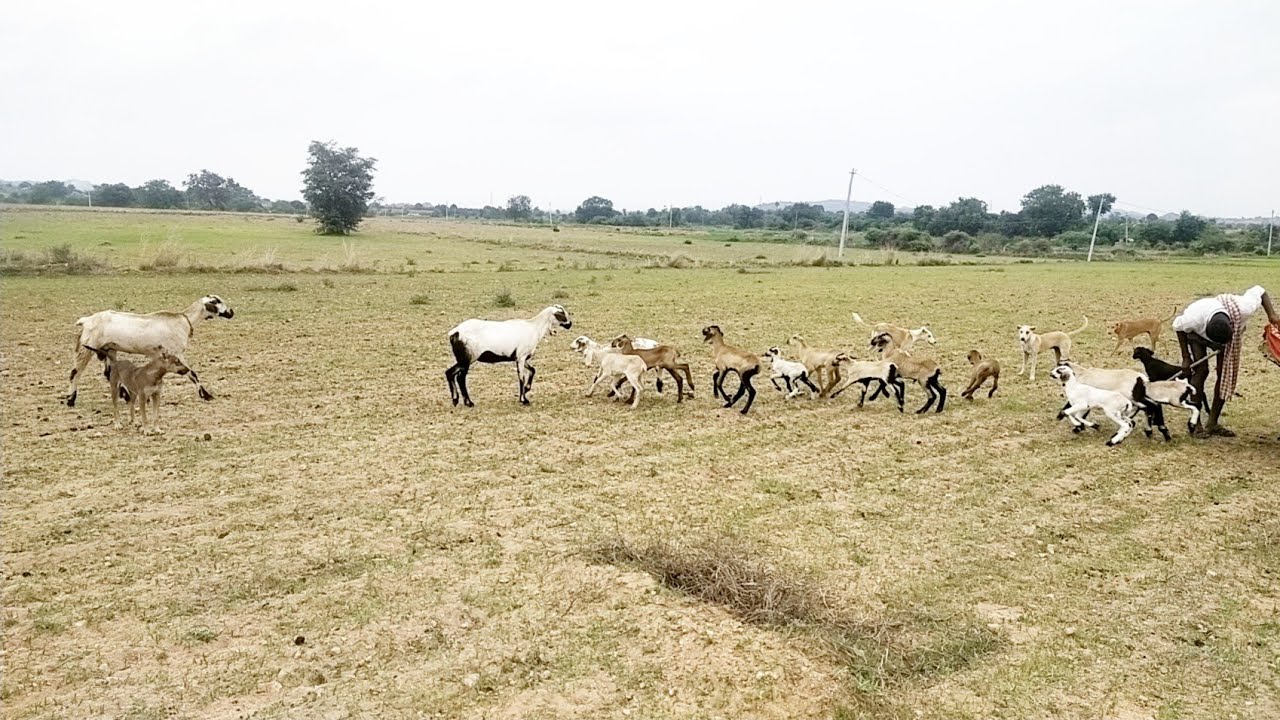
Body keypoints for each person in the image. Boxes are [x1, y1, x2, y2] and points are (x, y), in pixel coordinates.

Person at [1173, 285, 1279, 437]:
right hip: (1195, 336)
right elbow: (1178, 326)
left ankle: (1212, 423)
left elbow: (1260, 290)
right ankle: (1195, 423)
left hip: (1228, 333)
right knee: (1201, 371)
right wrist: (1186, 358)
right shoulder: (1193, 320)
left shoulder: (1243, 309)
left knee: (1224, 375)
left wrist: (1272, 315)